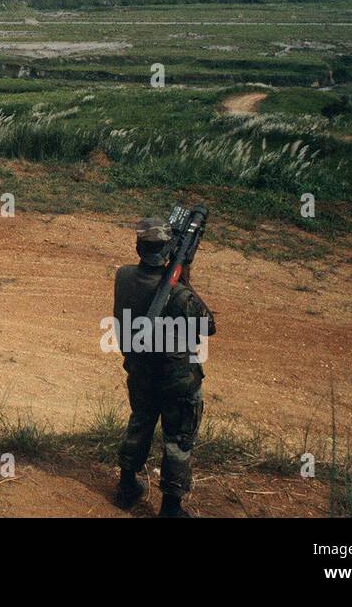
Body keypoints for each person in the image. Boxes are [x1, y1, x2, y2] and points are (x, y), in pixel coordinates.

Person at [112, 216, 216, 518]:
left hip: (141, 372)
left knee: (141, 422)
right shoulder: (179, 294)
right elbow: (209, 326)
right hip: (177, 380)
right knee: (178, 440)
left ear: (137, 247)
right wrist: (185, 280)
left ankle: (127, 486)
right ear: (167, 248)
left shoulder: (124, 276)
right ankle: (170, 507)